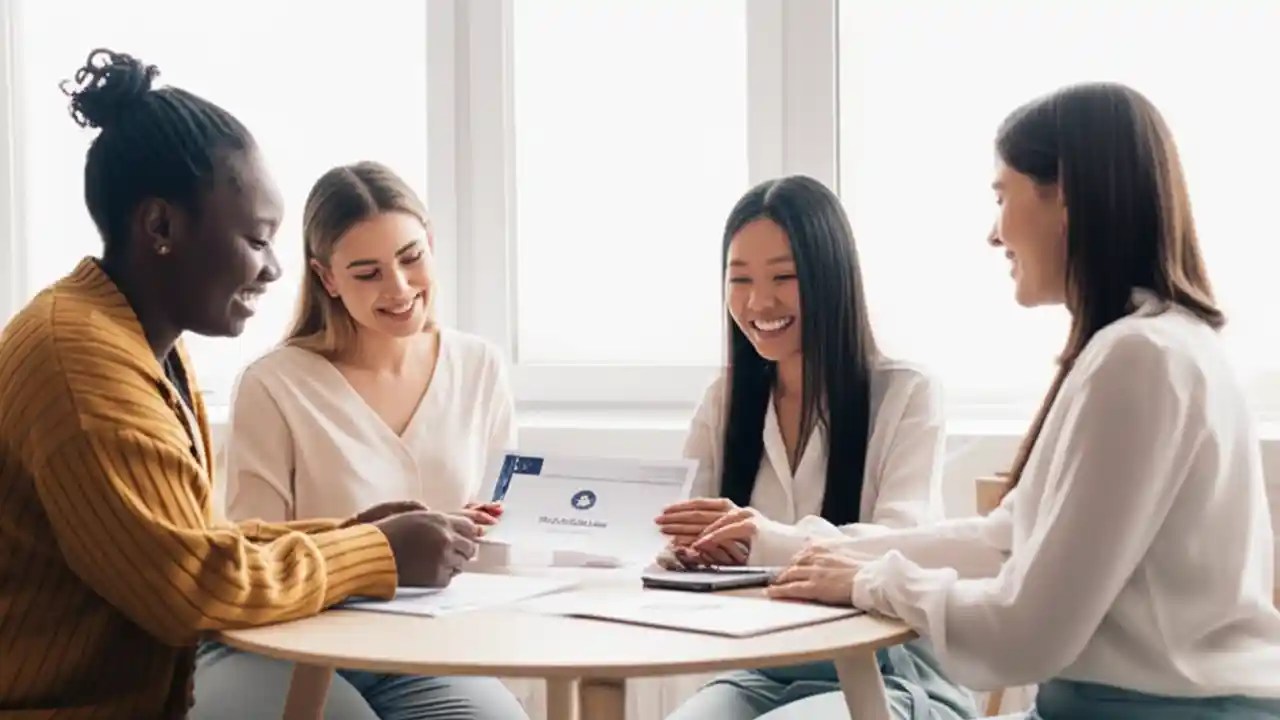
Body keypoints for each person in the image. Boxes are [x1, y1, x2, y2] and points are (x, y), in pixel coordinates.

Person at [766, 83, 1280, 719]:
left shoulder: (1139, 360)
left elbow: (1027, 632)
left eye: (1002, 195)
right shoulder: (1159, 345)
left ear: (1062, 196)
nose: (993, 233)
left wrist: (873, 581)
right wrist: (794, 547)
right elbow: (1006, 541)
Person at [0, 50, 478, 719]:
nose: (275, 270)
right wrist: (373, 551)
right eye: (257, 240)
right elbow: (191, 587)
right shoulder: (81, 365)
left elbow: (192, 539)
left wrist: (346, 534)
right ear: (161, 226)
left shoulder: (133, 339)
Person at [192, 161, 525, 719]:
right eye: (367, 273)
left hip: (424, 648)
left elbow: (502, 534)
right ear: (327, 279)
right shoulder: (275, 385)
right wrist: (370, 547)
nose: (399, 289)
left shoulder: (478, 366)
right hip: (290, 643)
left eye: (411, 257)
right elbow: (257, 556)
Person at [655, 176, 976, 720]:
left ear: (831, 277)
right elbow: (677, 527)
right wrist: (678, 554)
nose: (759, 302)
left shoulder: (906, 393)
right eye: (740, 280)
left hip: (891, 675)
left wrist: (764, 540)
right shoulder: (725, 401)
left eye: (784, 276)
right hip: (757, 669)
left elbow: (899, 542)